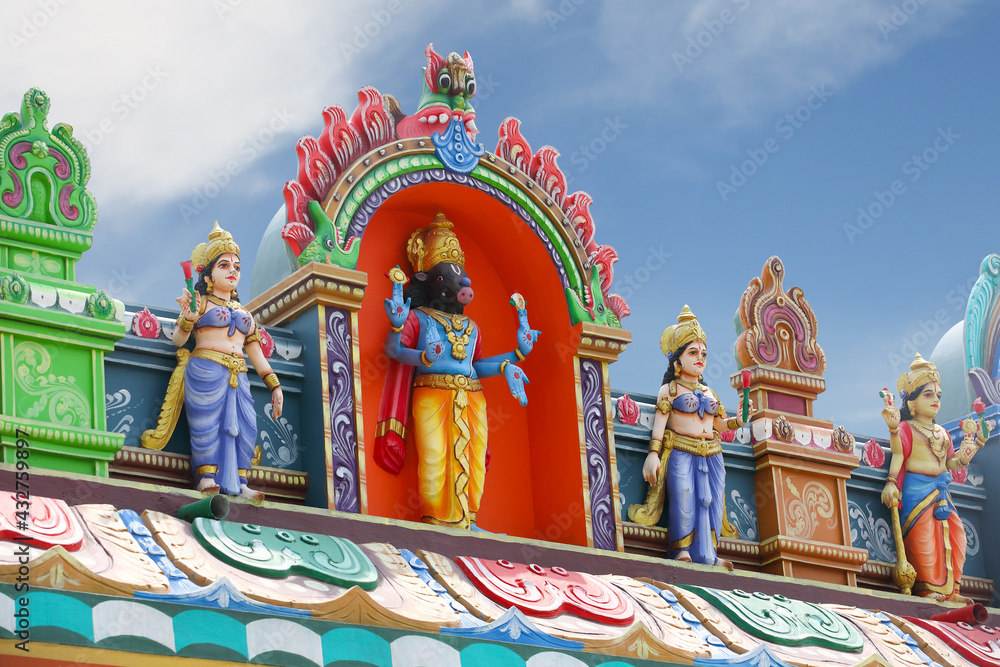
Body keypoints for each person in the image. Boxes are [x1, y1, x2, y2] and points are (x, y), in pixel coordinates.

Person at [374, 211, 537, 528]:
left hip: (473, 397)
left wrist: (512, 359)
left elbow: (475, 365)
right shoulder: (416, 318)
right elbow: (393, 352)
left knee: (473, 459)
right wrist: (401, 333)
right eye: (445, 277)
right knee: (435, 458)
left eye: (461, 275)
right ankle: (435, 519)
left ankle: (468, 519)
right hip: (432, 394)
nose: (460, 282)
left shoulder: (472, 326)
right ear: (427, 283)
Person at [627, 305, 751, 569]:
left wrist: (739, 420)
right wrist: (652, 455)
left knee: (712, 502)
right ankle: (682, 549)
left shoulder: (709, 392)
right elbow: (660, 424)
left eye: (703, 353)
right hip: (682, 450)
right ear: (677, 360)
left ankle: (711, 554)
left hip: (712, 454)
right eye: (693, 352)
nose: (700, 358)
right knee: (684, 497)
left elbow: (720, 423)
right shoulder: (669, 390)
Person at [172, 222, 283, 499]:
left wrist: (274, 386)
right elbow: (178, 340)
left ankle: (241, 483)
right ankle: (206, 478)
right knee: (207, 425)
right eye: (224, 265)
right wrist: (188, 319)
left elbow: (255, 352)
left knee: (245, 427)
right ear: (208, 276)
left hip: (240, 374)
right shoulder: (200, 303)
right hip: (207, 369)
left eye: (237, 266)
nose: (233, 270)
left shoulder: (245, 313)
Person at [880, 353, 990, 602]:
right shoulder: (907, 428)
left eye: (938, 395)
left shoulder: (942, 432)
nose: (935, 400)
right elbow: (898, 455)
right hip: (917, 490)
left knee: (955, 535)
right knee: (925, 537)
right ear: (912, 402)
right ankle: (929, 589)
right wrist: (890, 482)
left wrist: (968, 452)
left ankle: (952, 592)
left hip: (942, 492)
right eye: (928, 395)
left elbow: (951, 462)